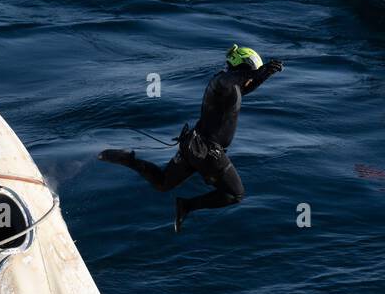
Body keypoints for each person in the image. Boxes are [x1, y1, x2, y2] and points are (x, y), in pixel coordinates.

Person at [98, 45, 283, 232]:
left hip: (193, 145)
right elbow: (235, 79)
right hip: (207, 151)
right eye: (250, 74)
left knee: (163, 183)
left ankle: (128, 160)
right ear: (242, 68)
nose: (249, 80)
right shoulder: (223, 81)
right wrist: (260, 72)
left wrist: (264, 75)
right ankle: (187, 206)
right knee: (235, 194)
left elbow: (244, 86)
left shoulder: (230, 86)